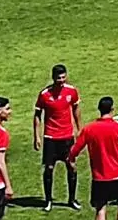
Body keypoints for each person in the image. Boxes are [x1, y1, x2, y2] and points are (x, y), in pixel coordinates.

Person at [33, 64, 82, 211]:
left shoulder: (72, 91)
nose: (61, 80)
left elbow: (76, 110)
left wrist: (80, 130)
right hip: (51, 136)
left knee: (72, 166)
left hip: (67, 136)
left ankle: (72, 199)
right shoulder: (44, 94)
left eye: (63, 77)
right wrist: (37, 136)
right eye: (58, 78)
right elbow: (37, 116)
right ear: (53, 77)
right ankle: (48, 201)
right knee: (49, 168)